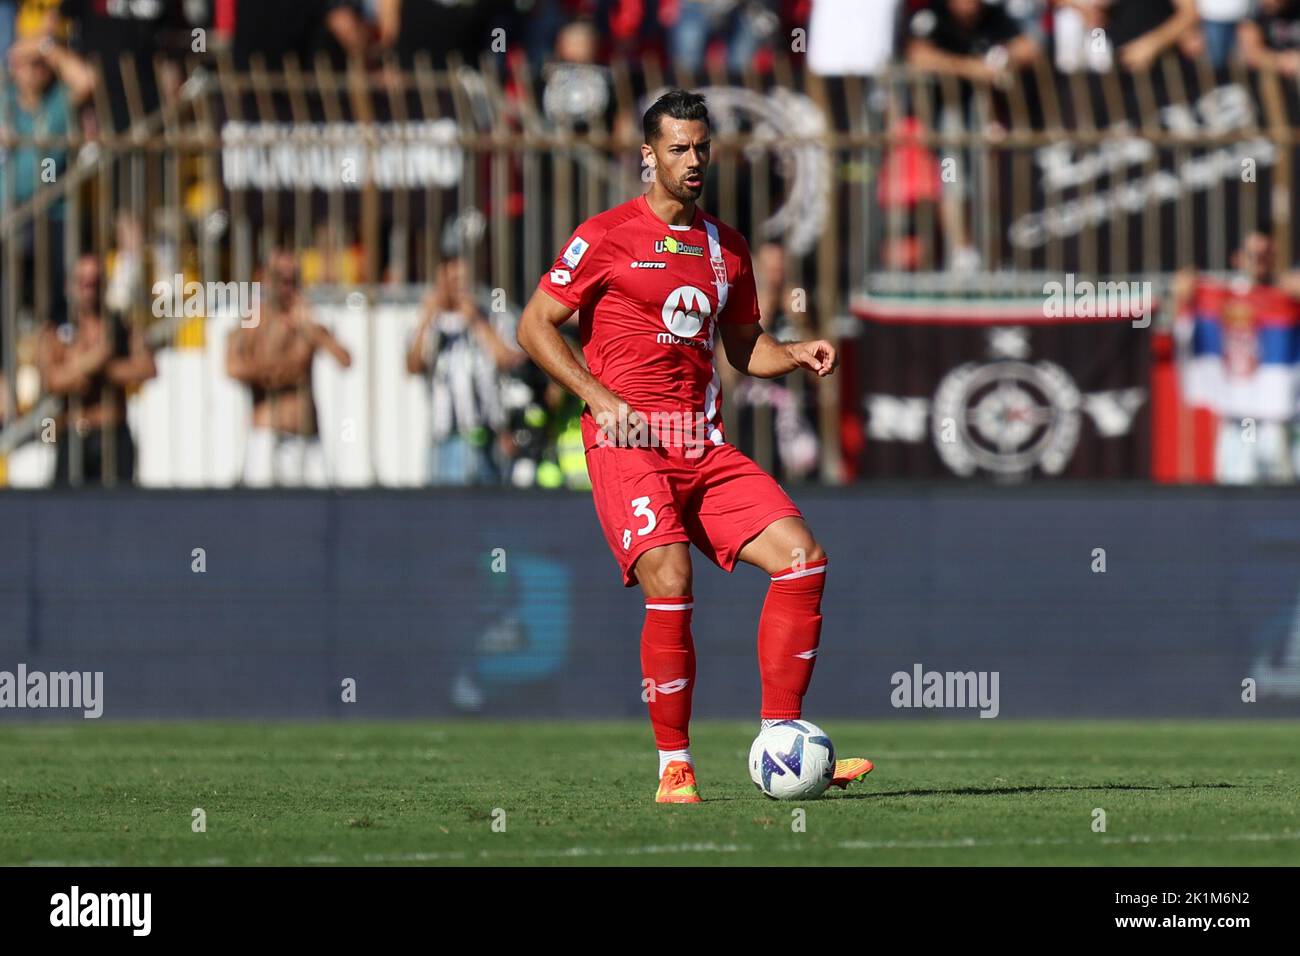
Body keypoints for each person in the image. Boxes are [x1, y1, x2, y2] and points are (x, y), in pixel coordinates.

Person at [515, 89, 874, 804]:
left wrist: (794, 352)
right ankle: (673, 765)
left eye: (702, 148)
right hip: (628, 442)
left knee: (803, 560)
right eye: (678, 148)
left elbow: (745, 350)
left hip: (699, 444)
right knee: (672, 579)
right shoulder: (607, 235)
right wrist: (599, 397)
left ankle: (784, 739)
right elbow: (534, 325)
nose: (693, 161)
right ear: (647, 156)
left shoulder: (726, 248)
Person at [226, 249, 352, 487]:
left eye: (293, 280)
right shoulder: (254, 320)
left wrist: (310, 330)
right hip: (267, 435)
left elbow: (345, 360)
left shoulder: (306, 320)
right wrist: (281, 369)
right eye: (280, 279)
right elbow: (232, 366)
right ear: (265, 279)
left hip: (307, 437)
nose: (287, 287)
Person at [37, 255, 156, 485]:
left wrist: (94, 369)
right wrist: (95, 359)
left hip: (113, 434)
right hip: (72, 434)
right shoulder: (55, 330)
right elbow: (51, 380)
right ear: (69, 286)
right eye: (83, 283)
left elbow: (147, 368)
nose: (89, 290)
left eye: (95, 283)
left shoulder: (121, 326)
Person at [406, 254, 522, 486]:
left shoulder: (492, 315)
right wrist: (425, 319)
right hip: (446, 436)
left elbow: (507, 358)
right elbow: (413, 366)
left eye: (461, 280)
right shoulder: (430, 322)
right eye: (449, 281)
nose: (456, 288)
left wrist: (476, 321)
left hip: (486, 435)